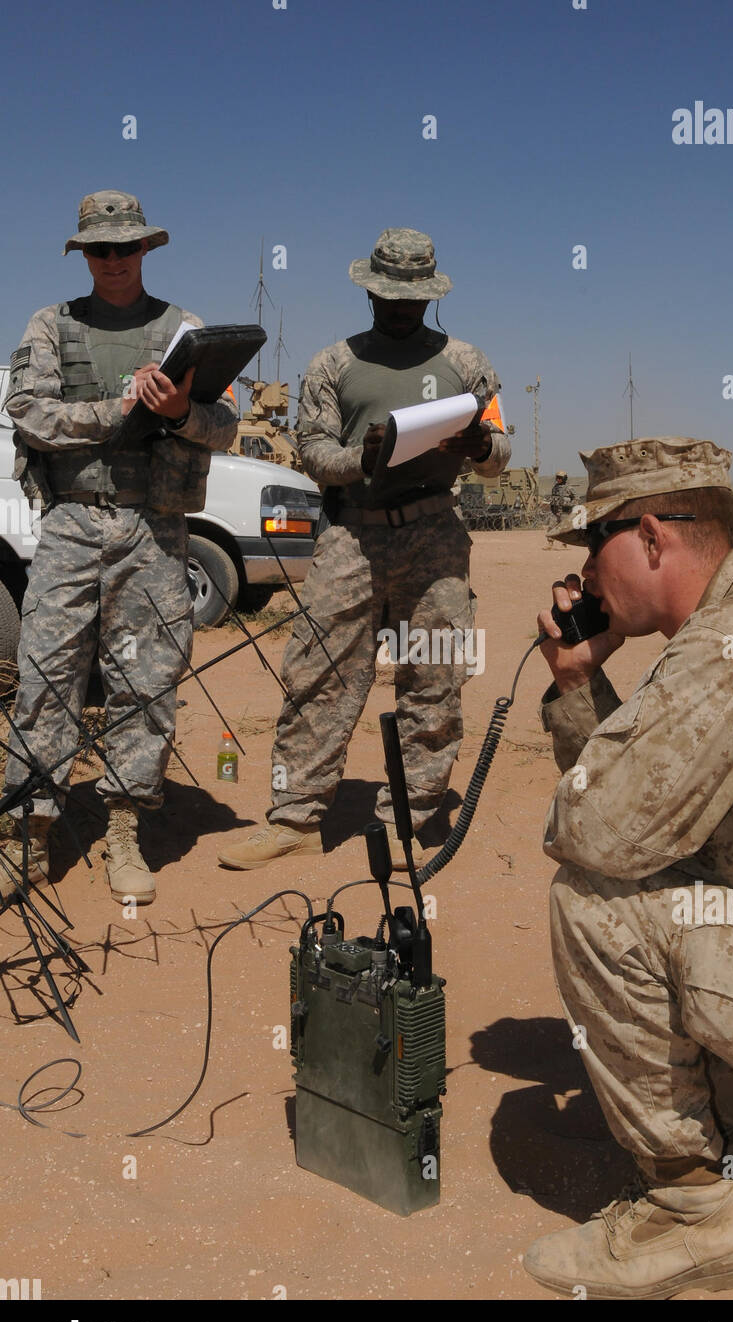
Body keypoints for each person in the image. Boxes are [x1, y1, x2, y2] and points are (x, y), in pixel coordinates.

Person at [525, 435, 733, 1299]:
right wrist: (578, 680)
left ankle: (688, 1217)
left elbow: (598, 834)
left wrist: (576, 694)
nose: (585, 580)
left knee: (596, 906)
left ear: (648, 537)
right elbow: (657, 817)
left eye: (590, 549)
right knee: (681, 889)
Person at [218, 227, 509, 872]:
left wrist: (479, 448)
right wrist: (365, 456)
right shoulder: (333, 364)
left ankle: (411, 817)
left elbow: (498, 446)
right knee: (319, 672)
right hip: (351, 535)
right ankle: (293, 818)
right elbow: (315, 452)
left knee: (432, 674)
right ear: (369, 291)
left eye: (414, 297)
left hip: (434, 534)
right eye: (389, 295)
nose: (401, 306)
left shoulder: (467, 362)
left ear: (430, 296)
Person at [1, 190, 237, 907]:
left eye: (124, 247)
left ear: (145, 249)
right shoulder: (53, 324)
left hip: (155, 530)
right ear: (84, 256)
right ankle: (27, 834)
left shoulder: (181, 329)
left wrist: (181, 412)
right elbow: (30, 413)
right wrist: (124, 411)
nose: (112, 261)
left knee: (147, 683)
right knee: (46, 677)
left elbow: (224, 427)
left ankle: (124, 828)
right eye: (99, 250)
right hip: (73, 525)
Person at [545, 470, 573, 549]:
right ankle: (550, 543)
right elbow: (553, 498)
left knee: (563, 528)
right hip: (555, 511)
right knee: (551, 527)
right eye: (557, 477)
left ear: (564, 478)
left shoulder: (569, 488)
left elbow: (576, 498)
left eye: (560, 478)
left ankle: (564, 544)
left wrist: (569, 504)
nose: (558, 479)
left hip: (564, 511)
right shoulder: (555, 488)